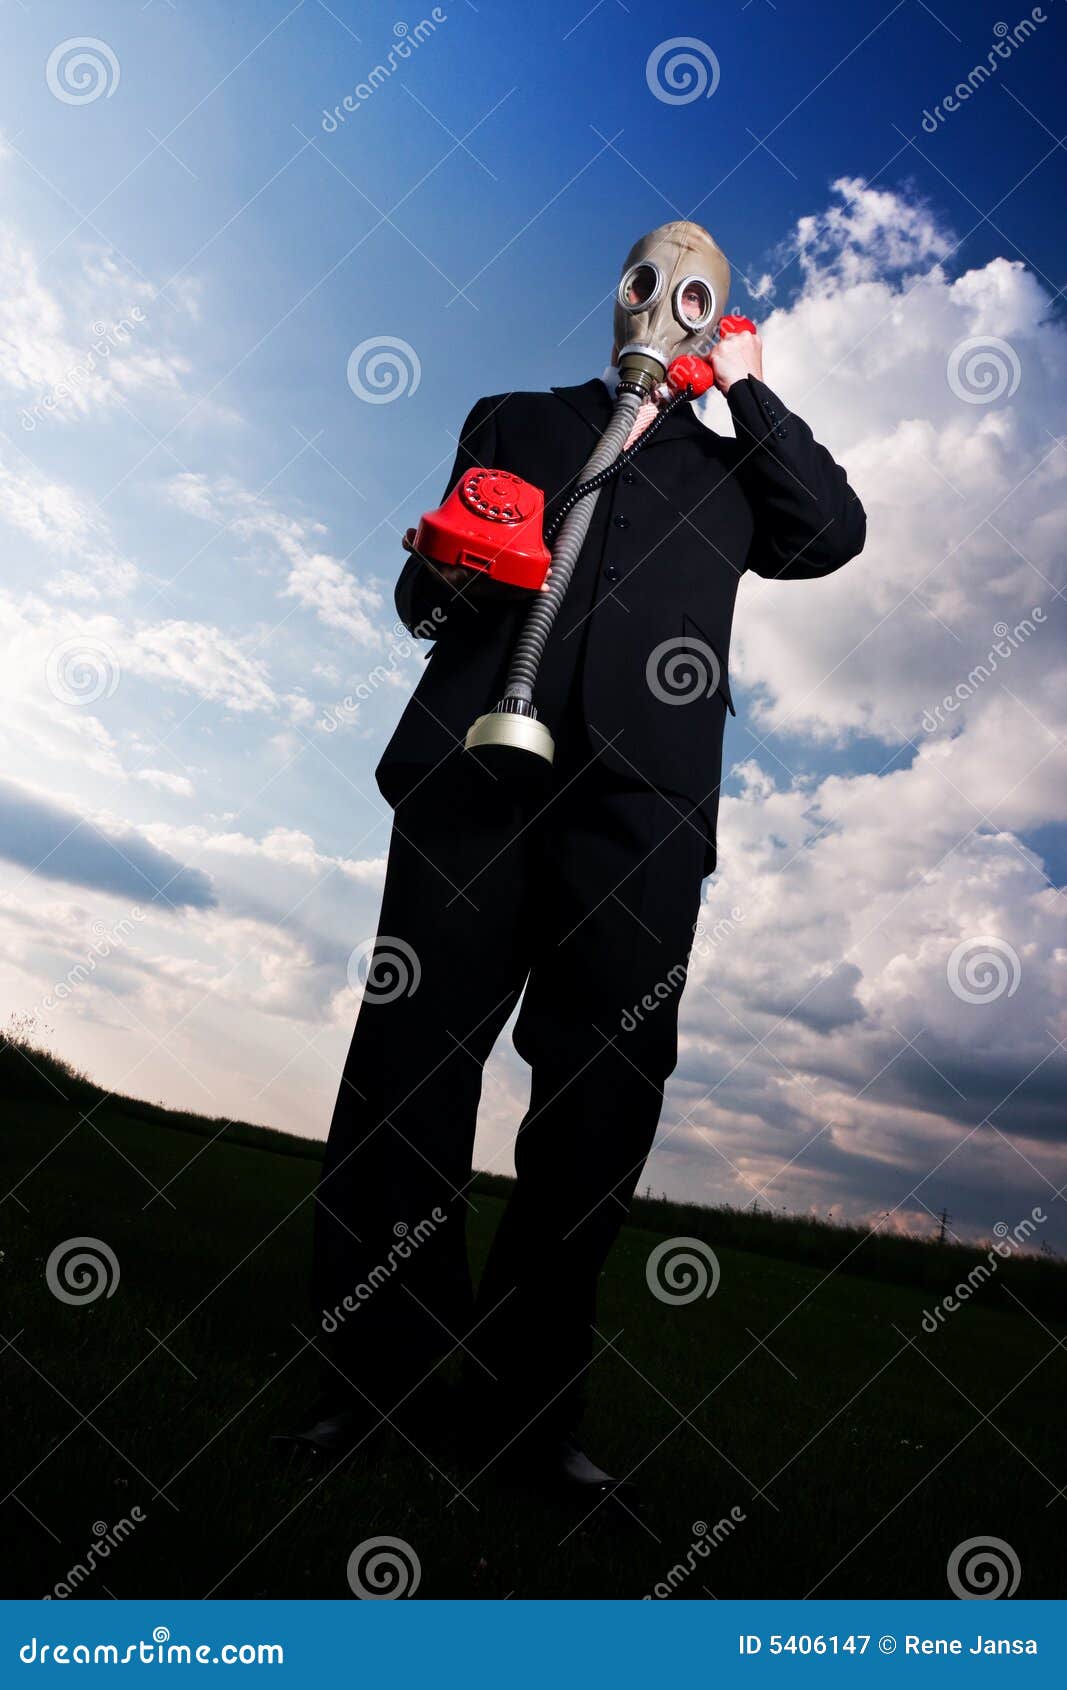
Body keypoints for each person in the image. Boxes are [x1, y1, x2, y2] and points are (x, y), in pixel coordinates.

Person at [282, 221, 866, 1502]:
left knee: (598, 1107)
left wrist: (745, 389)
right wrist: (448, 569)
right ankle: (368, 1381)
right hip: (475, 772)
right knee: (406, 1071)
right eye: (652, 277)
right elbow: (425, 613)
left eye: (698, 290)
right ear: (619, 293)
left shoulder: (732, 478)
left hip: (640, 813)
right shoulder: (517, 418)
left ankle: (523, 1413)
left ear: (719, 317)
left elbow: (832, 529)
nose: (668, 301)